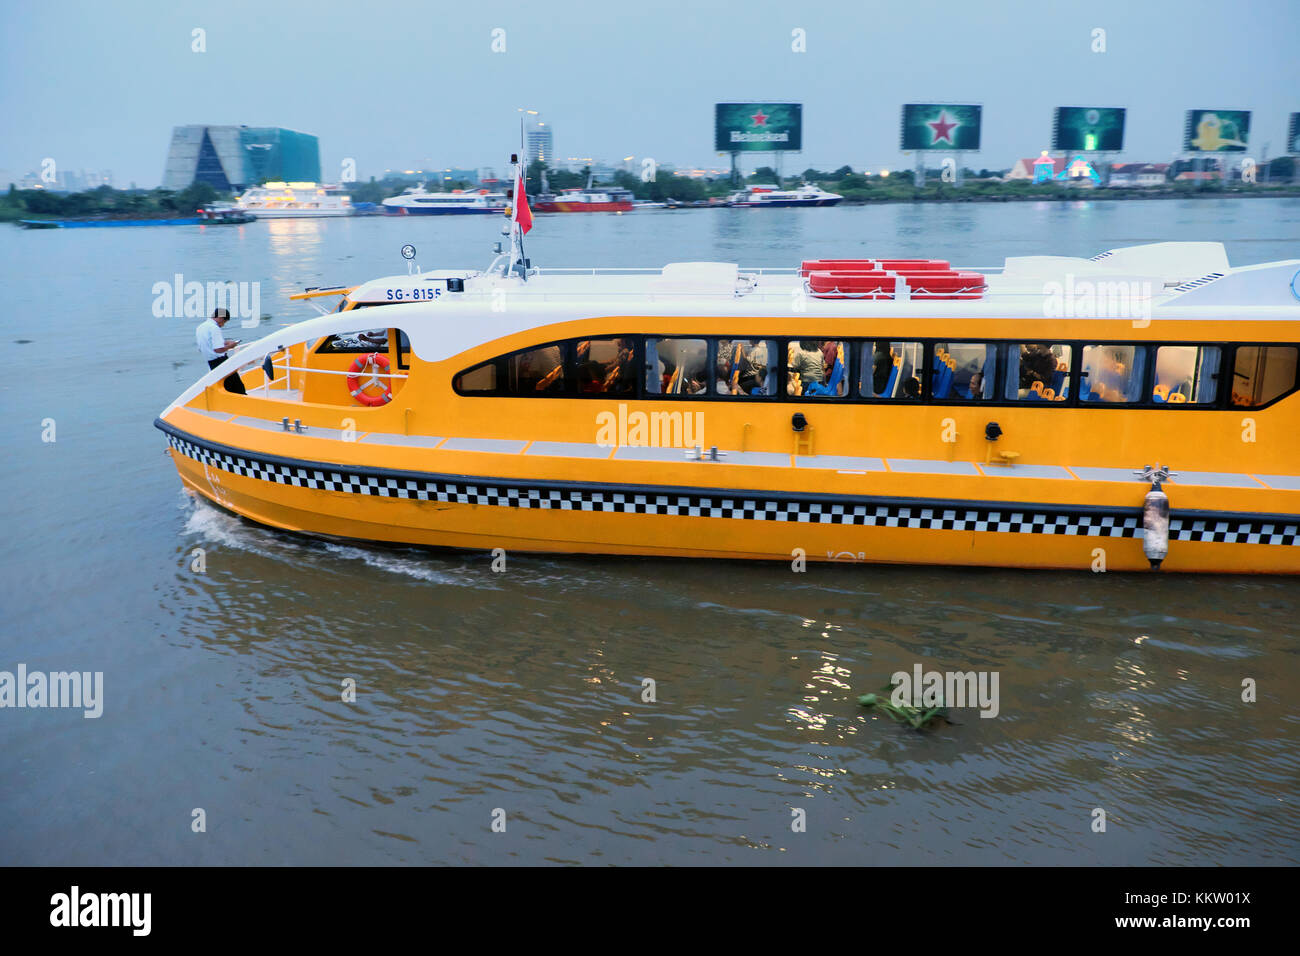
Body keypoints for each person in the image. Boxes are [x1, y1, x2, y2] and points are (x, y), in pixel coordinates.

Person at [196, 308, 246, 394]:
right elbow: (218, 349)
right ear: (221, 318)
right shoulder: (214, 328)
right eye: (224, 322)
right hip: (220, 361)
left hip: (211, 362)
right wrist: (231, 346)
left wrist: (225, 342)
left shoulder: (201, 327)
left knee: (225, 387)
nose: (222, 325)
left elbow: (207, 343)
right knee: (238, 388)